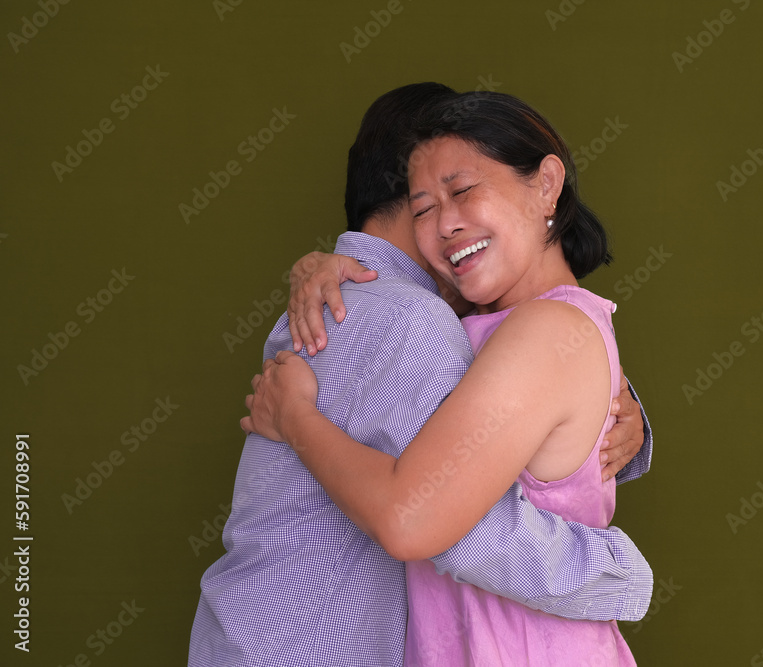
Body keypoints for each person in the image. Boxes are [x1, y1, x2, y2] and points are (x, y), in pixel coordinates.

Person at [190, 83, 654, 667]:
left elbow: (417, 516)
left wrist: (296, 418)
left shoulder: (432, 320)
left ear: (546, 184)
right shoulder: (434, 320)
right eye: (424, 208)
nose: (446, 224)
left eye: (461, 189)